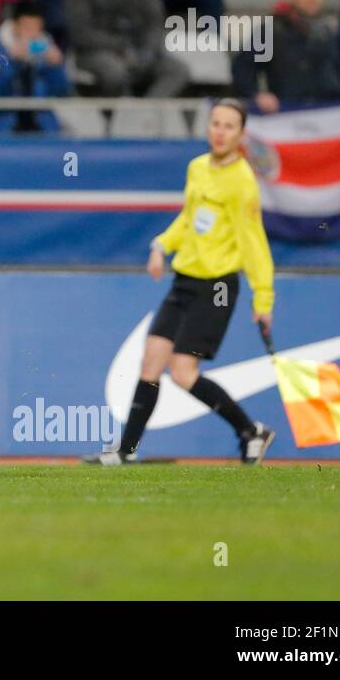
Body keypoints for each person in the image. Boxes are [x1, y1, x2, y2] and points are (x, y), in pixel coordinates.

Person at [84, 99, 277, 466]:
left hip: (216, 287)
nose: (219, 132)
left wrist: (263, 299)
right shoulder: (198, 167)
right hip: (184, 280)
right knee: (151, 363)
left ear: (241, 135)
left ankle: (250, 431)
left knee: (183, 374)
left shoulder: (242, 184)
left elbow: (255, 245)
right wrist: (161, 245)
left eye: (228, 126)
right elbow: (189, 219)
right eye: (215, 123)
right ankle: (126, 452)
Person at [234, 0, 340, 113]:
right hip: (286, 114)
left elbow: (336, 73)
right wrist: (257, 95)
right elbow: (243, 68)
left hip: (324, 114)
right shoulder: (272, 29)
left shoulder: (328, 32)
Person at [0, 2, 71, 131]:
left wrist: (55, 67)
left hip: (41, 123)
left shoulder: (45, 47)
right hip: (2, 123)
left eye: (37, 29)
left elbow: (61, 92)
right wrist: (12, 61)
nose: (32, 34)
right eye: (27, 28)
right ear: (15, 26)